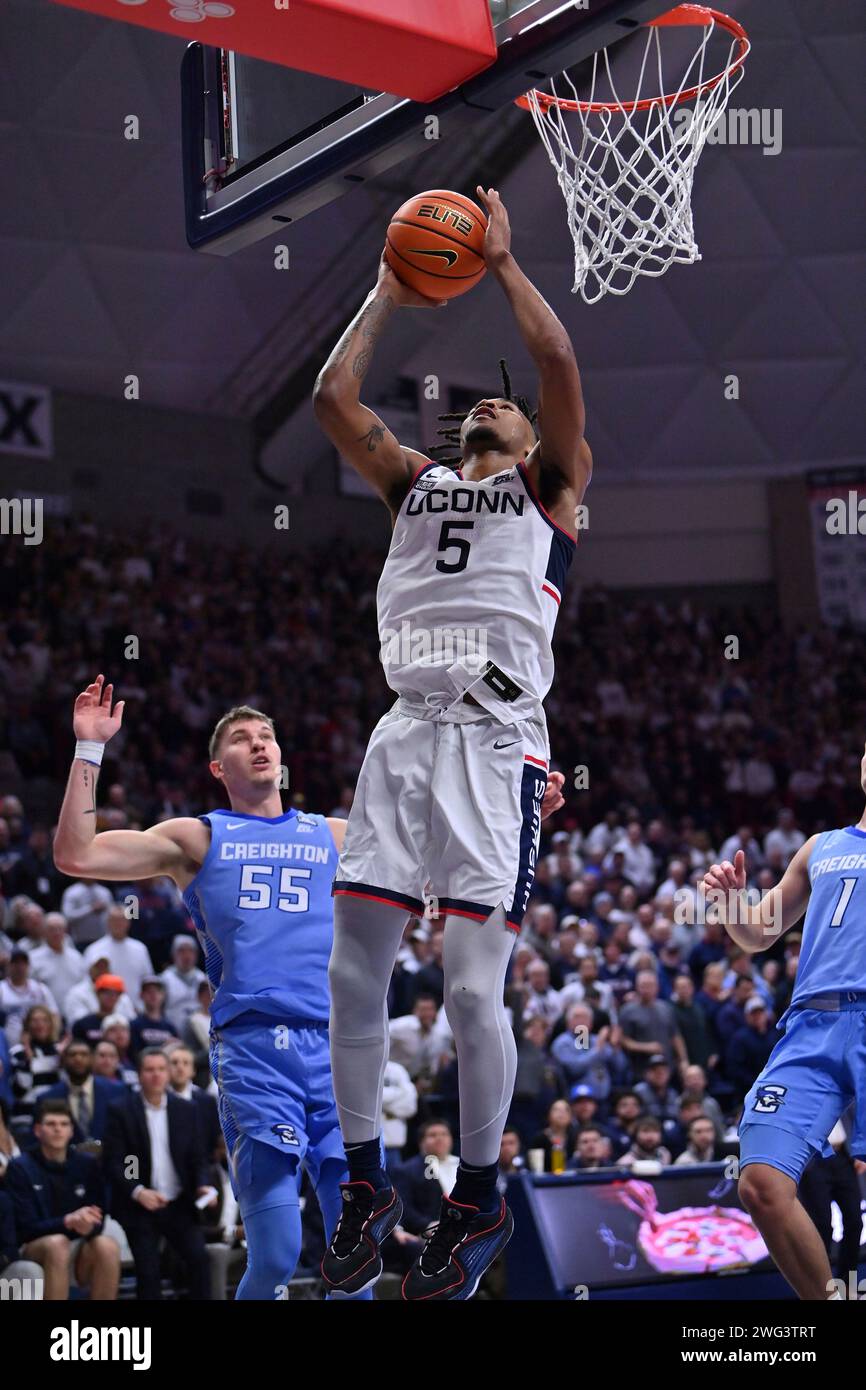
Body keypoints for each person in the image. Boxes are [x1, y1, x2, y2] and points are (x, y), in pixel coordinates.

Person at [314, 183, 587, 1300]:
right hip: (401, 735)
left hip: (491, 742)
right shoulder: (412, 484)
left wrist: (508, 264)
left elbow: (561, 369)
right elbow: (333, 396)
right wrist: (386, 286)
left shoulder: (549, 489)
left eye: (500, 408)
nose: (485, 407)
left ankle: (476, 1197)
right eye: (473, 406)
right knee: (348, 975)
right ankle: (367, 1185)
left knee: (473, 997)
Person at [51, 678, 368, 1301]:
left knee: (357, 1259)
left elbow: (441, 863)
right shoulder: (197, 837)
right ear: (217, 767)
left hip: (340, 1051)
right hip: (255, 1050)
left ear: (283, 758)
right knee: (275, 1256)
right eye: (242, 739)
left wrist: (527, 822)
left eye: (268, 736)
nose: (260, 745)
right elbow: (76, 855)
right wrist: (89, 750)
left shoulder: (334, 834)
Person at [702, 746, 866, 1300]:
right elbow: (758, 934)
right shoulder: (821, 847)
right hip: (812, 1027)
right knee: (762, 1185)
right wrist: (730, 905)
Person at [102, 1049, 213, 1300]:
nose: (156, 1075)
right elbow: (121, 1161)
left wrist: (203, 1184)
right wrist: (138, 1190)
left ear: (168, 1073)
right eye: (149, 1070)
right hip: (140, 1206)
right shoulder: (122, 1110)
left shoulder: (186, 1109)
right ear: (139, 1075)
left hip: (179, 1203)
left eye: (161, 1069)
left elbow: (197, 1157)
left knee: (199, 1259)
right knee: (149, 1272)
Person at [6, 1099, 120, 1299]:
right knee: (58, 1244)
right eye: (51, 1124)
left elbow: (99, 1215)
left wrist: (90, 1226)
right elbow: (25, 1228)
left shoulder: (87, 1165)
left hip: (76, 1247)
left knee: (107, 1245)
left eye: (64, 1124)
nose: (58, 1130)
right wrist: (68, 1221)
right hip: (35, 1247)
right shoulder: (20, 1167)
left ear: (71, 1131)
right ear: (37, 1130)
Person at [41, 1039, 126, 1145]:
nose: (78, 1059)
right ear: (63, 1061)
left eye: (84, 1054)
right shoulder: (47, 1098)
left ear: (92, 1059)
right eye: (72, 1055)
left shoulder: (117, 1092)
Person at [83, 904, 154, 1008]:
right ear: (107, 922)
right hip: (106, 1011)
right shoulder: (94, 950)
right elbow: (88, 983)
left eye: (121, 920)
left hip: (136, 1008)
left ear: (128, 923)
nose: (118, 924)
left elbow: (147, 980)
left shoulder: (140, 948)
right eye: (114, 920)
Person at [0, 949, 59, 1046]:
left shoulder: (40, 988)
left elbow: (54, 1015)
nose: (20, 967)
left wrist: (53, 1039)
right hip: (9, 1042)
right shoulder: (2, 989)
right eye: (15, 963)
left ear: (28, 966)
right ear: (8, 966)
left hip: (40, 1042)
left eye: (23, 963)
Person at [129, 976, 178, 1060]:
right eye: (149, 991)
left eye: (157, 991)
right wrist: (163, 1048)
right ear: (141, 995)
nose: (153, 994)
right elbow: (134, 1055)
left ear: (163, 995)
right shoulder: (134, 1025)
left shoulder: (170, 1026)